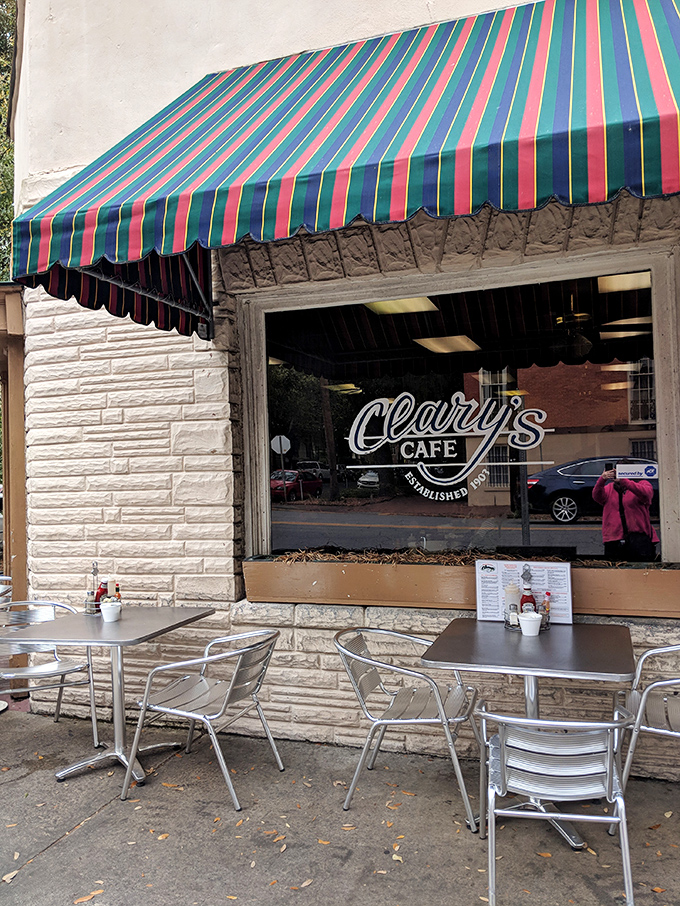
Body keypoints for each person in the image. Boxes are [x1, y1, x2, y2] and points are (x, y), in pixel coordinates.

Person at [592, 462, 658, 561]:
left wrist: (625, 481)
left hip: (638, 537)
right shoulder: (609, 488)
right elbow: (597, 496)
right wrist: (602, 480)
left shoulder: (642, 484)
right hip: (614, 538)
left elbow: (646, 494)